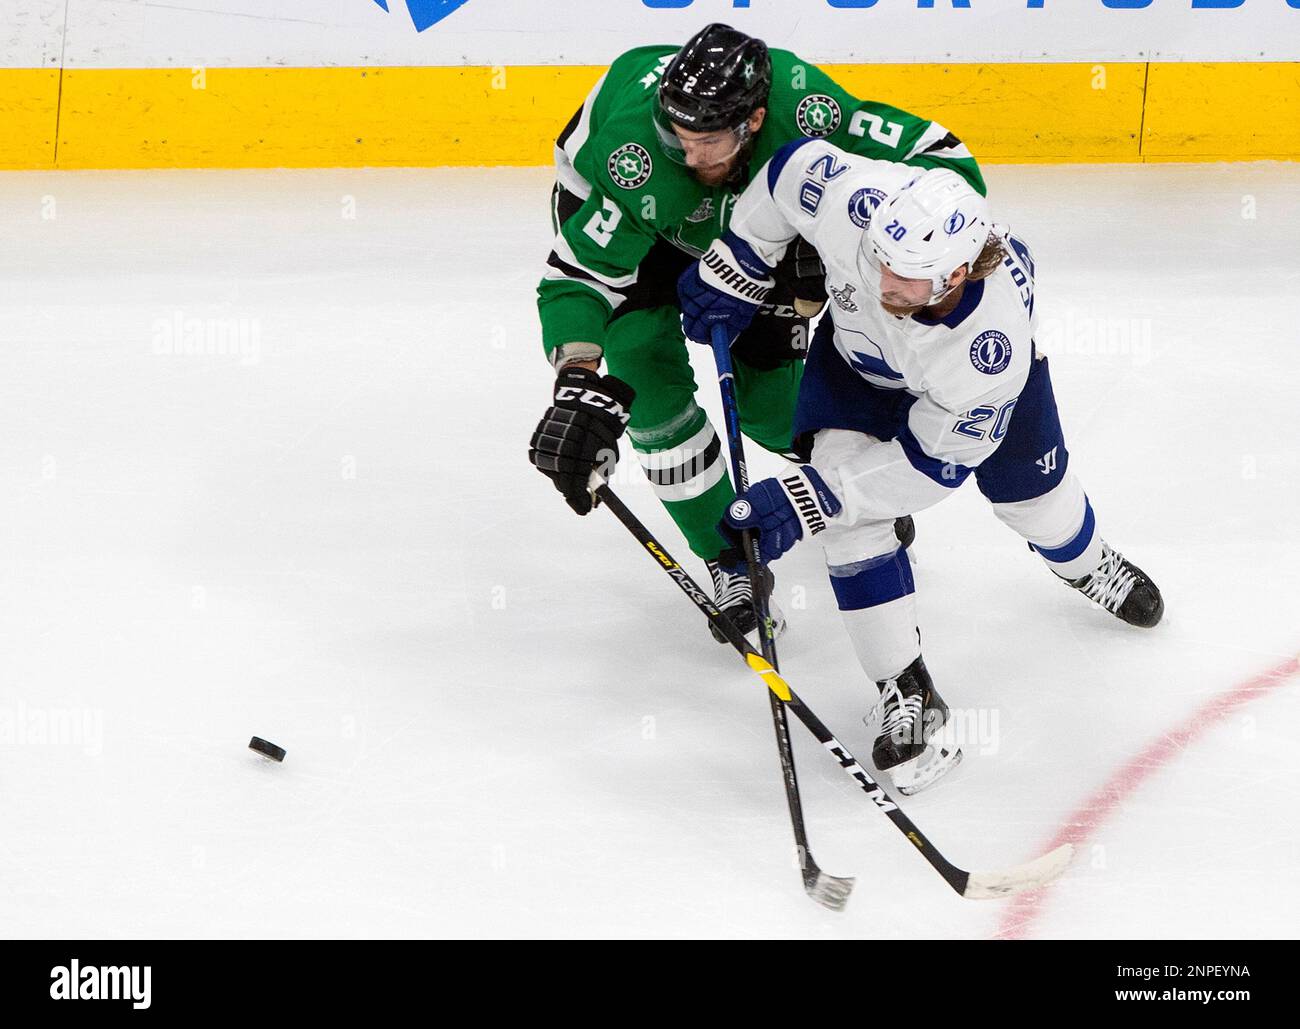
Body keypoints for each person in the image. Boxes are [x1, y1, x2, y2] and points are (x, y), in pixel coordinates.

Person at [677, 137, 1163, 793]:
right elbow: (791, 168)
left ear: (955, 274)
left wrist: (806, 497)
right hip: (856, 369)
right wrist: (737, 262)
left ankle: (1085, 562)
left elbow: (930, 467)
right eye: (881, 259)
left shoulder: (990, 352)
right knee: (850, 526)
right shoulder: (863, 207)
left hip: (961, 408)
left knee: (1035, 502)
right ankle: (906, 688)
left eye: (904, 276)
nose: (882, 282)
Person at [527, 22, 983, 638]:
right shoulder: (635, 156)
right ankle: (728, 556)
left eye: (707, 141)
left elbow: (944, 163)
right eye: (677, 137)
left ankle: (841, 486)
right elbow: (576, 277)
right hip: (641, 234)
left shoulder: (808, 110)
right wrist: (577, 378)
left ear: (753, 120)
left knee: (771, 401)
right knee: (645, 377)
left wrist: (852, 244)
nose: (688, 157)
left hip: (760, 232)